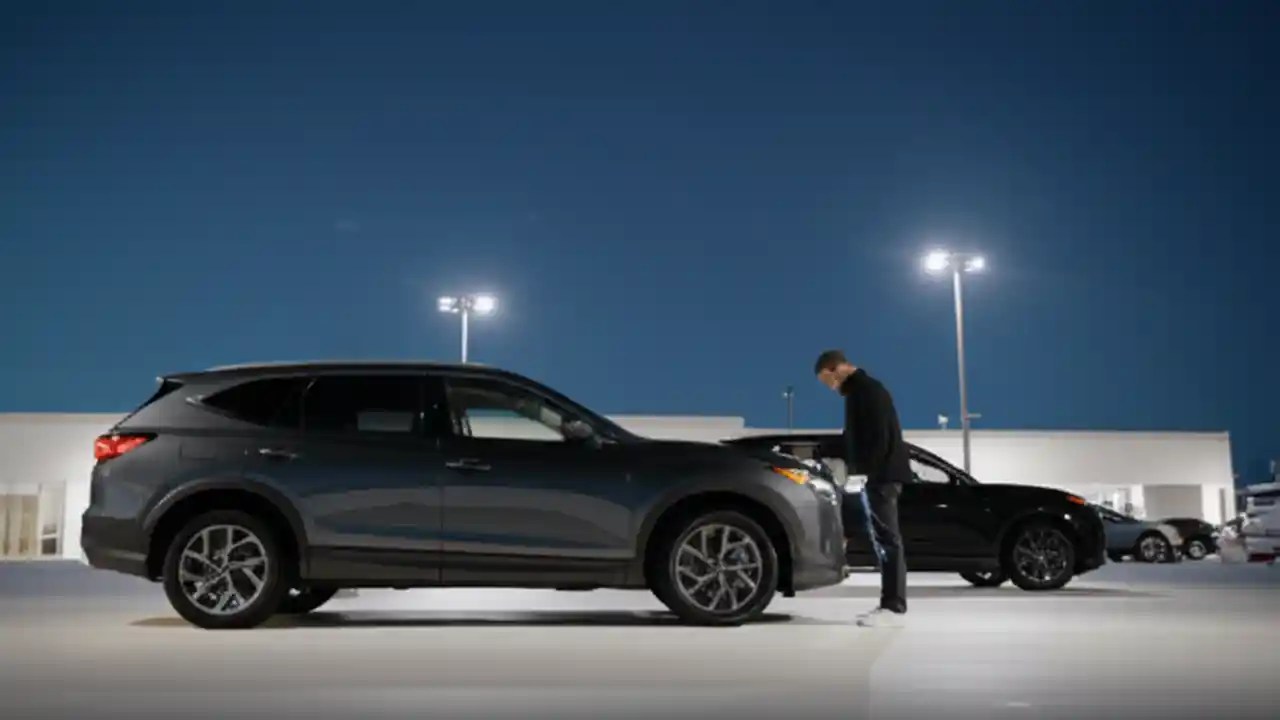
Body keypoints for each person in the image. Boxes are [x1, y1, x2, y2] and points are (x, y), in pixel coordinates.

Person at [814, 349, 911, 627]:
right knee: (884, 539)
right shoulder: (861, 391)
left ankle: (893, 606)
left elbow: (878, 438)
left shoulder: (866, 391)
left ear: (835, 369)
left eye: (826, 381)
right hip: (879, 475)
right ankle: (892, 604)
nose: (830, 388)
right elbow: (855, 438)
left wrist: (863, 473)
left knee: (887, 541)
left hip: (881, 477)